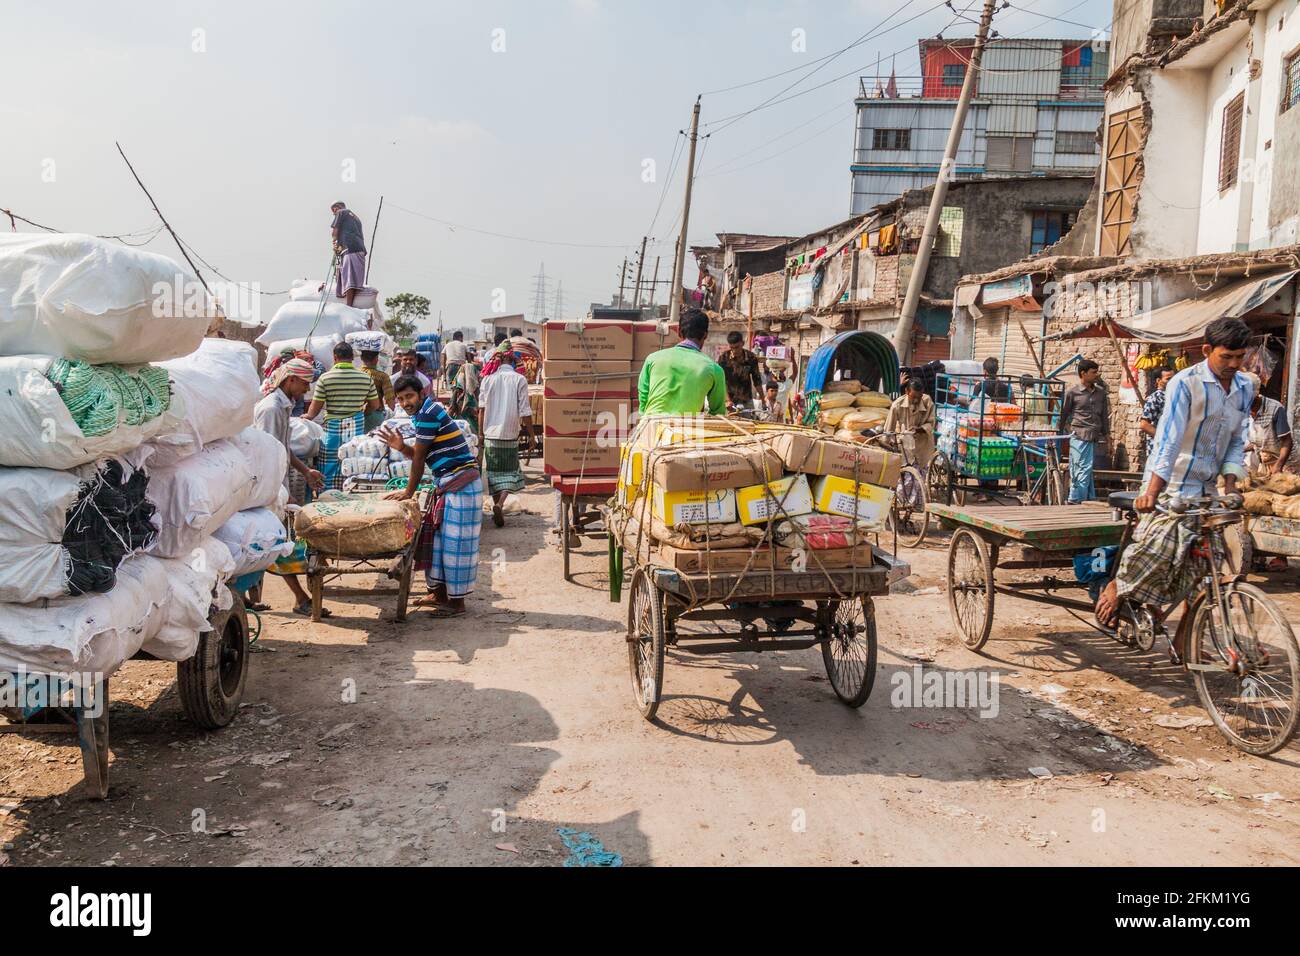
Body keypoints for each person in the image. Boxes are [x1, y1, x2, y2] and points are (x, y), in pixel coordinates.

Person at [1096, 317, 1253, 633]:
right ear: (1207, 350)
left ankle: (1185, 639)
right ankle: (1117, 586)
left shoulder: (1244, 387)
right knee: (1159, 546)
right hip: (1172, 482)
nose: (1234, 364)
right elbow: (1167, 439)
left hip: (1208, 487)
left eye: (1239, 357)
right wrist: (1152, 492)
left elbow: (1237, 439)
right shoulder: (1185, 383)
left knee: (1204, 565)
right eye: (1227, 357)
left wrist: (1232, 486)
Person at [381, 376, 482, 618]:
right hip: (450, 485)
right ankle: (438, 594)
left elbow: (418, 458)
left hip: (461, 486)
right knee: (439, 543)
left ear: (421, 393)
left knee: (454, 545)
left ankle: (456, 604)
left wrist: (408, 492)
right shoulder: (424, 413)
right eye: (402, 398)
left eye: (410, 396)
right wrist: (401, 447)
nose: (406, 402)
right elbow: (421, 454)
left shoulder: (427, 413)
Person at [253, 357, 326, 617]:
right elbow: (267, 452)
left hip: (276, 484)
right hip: (267, 486)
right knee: (277, 541)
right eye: (305, 383)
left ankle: (251, 599)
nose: (307, 389)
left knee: (263, 541)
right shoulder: (271, 408)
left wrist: (306, 471)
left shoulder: (284, 406)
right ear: (291, 379)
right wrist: (278, 491)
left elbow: (283, 448)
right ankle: (300, 598)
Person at [306, 341, 382, 490]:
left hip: (332, 428)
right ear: (352, 357)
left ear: (335, 357)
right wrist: (361, 413)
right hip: (356, 427)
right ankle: (350, 491)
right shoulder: (365, 378)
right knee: (352, 461)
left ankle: (326, 493)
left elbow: (314, 410)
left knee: (329, 463)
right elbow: (375, 405)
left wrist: (306, 416)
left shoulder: (325, 378)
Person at [477, 351, 533, 527]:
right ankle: (500, 504)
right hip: (509, 434)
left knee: (494, 475)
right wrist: (531, 435)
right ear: (513, 361)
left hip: (491, 436)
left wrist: (480, 434)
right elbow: (525, 410)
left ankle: (496, 505)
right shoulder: (519, 379)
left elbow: (481, 409)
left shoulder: (488, 379)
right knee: (511, 474)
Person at [637, 308, 727, 416]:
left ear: (679, 331)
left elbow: (643, 401)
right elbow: (718, 413)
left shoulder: (653, 359)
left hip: (651, 426)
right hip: (687, 431)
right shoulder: (714, 369)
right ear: (706, 335)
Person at [1059, 359, 1110, 504]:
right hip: (1078, 436)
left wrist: (1108, 438)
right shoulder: (1073, 393)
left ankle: (1085, 498)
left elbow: (1104, 417)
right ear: (1083, 373)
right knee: (1081, 468)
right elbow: (1064, 415)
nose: (1096, 375)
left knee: (1084, 468)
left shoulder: (1101, 393)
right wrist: (1063, 434)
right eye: (1093, 372)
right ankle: (1076, 499)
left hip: (1094, 437)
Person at [1242, 371, 1294, 477]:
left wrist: (1279, 465)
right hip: (1262, 461)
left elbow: (1287, 441)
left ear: (1256, 394)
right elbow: (1259, 441)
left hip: (1279, 463)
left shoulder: (1275, 408)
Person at [885, 376, 937, 473]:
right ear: (907, 392)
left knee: (920, 482)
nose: (917, 400)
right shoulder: (897, 405)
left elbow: (932, 423)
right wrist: (886, 446)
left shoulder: (928, 402)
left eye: (919, 397)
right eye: (914, 397)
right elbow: (888, 430)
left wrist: (919, 429)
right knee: (905, 482)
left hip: (923, 448)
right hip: (906, 449)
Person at [329, 202, 367, 308]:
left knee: (349, 277)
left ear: (339, 207)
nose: (334, 213)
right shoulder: (355, 217)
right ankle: (351, 304)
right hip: (360, 250)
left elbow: (334, 232)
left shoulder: (341, 212)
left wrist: (335, 242)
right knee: (354, 279)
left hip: (350, 249)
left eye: (334, 210)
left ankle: (349, 306)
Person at [717, 331, 763, 408]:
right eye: (732, 348)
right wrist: (727, 400)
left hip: (746, 400)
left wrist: (763, 400)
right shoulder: (723, 358)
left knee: (749, 419)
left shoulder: (751, 358)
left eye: (737, 347)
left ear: (743, 343)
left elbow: (757, 380)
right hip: (729, 402)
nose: (734, 351)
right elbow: (721, 381)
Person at [1139, 366, 1175, 460]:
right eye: (1168, 379)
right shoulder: (1155, 398)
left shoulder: (1174, 396)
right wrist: (1163, 438)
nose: (1172, 381)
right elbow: (1144, 424)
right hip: (1158, 448)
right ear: (1159, 380)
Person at [358, 347, 395, 431]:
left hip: (357, 416)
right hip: (375, 415)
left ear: (361, 358)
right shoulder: (383, 376)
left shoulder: (355, 374)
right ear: (376, 359)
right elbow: (390, 402)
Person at [451, 346, 481, 423]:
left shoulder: (462, 369)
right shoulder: (474, 368)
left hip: (461, 405)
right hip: (470, 405)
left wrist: (453, 405)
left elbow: (455, 388)